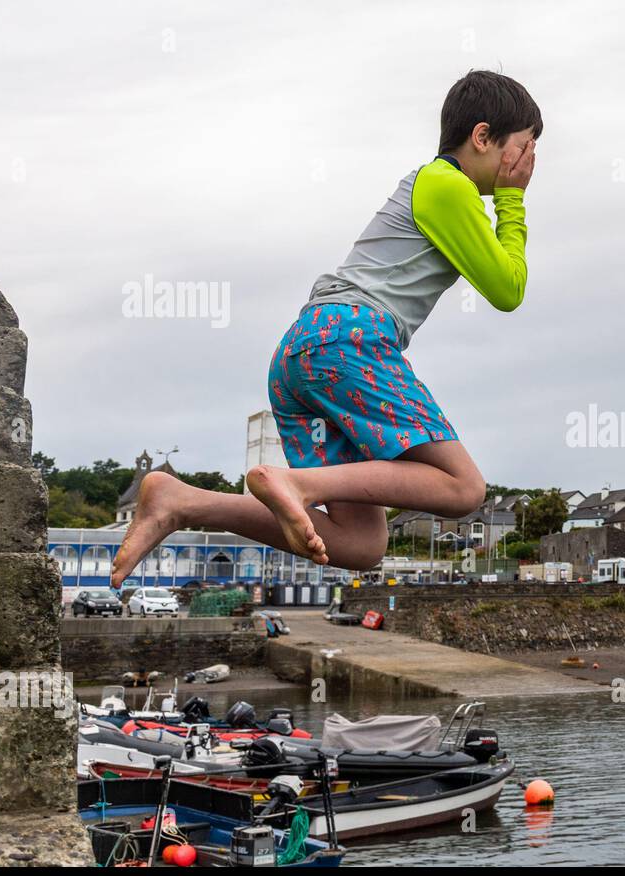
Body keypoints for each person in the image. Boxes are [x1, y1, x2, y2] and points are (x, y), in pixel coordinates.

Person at [111, 71, 541, 586]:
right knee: (463, 488)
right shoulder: (449, 185)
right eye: (524, 148)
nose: (528, 165)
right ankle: (296, 484)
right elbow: (507, 289)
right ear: (482, 136)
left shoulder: (432, 189)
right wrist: (513, 201)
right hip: (350, 339)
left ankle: (183, 501)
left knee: (359, 545)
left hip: (305, 352)